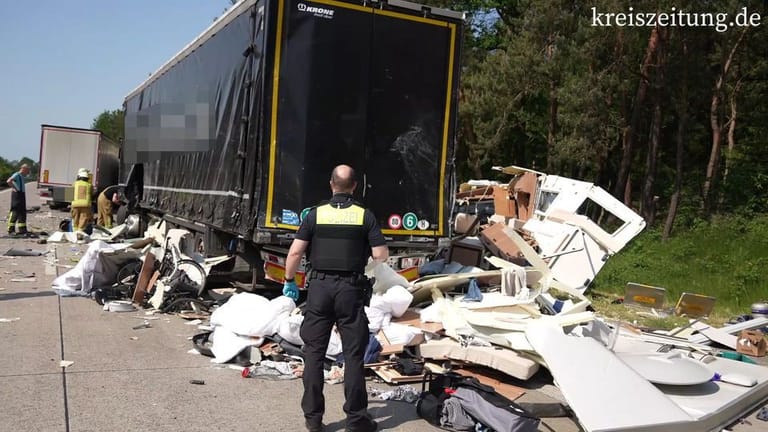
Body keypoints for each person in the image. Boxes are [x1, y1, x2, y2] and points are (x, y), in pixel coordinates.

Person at [283, 164, 388, 432]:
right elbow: (380, 256)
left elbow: (295, 254)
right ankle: (356, 420)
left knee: (314, 354)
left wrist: (289, 280)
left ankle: (313, 419)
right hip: (350, 291)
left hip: (319, 289)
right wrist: (363, 273)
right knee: (353, 356)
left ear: (331, 185)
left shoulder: (315, 215)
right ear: (354, 187)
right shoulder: (365, 216)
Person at [6, 164, 30, 235]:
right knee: (15, 211)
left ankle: (22, 229)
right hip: (17, 195)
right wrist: (14, 188)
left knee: (22, 212)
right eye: (27, 170)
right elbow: (9, 181)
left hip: (21, 194)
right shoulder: (16, 174)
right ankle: (10, 230)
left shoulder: (22, 176)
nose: (28, 172)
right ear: (23, 169)